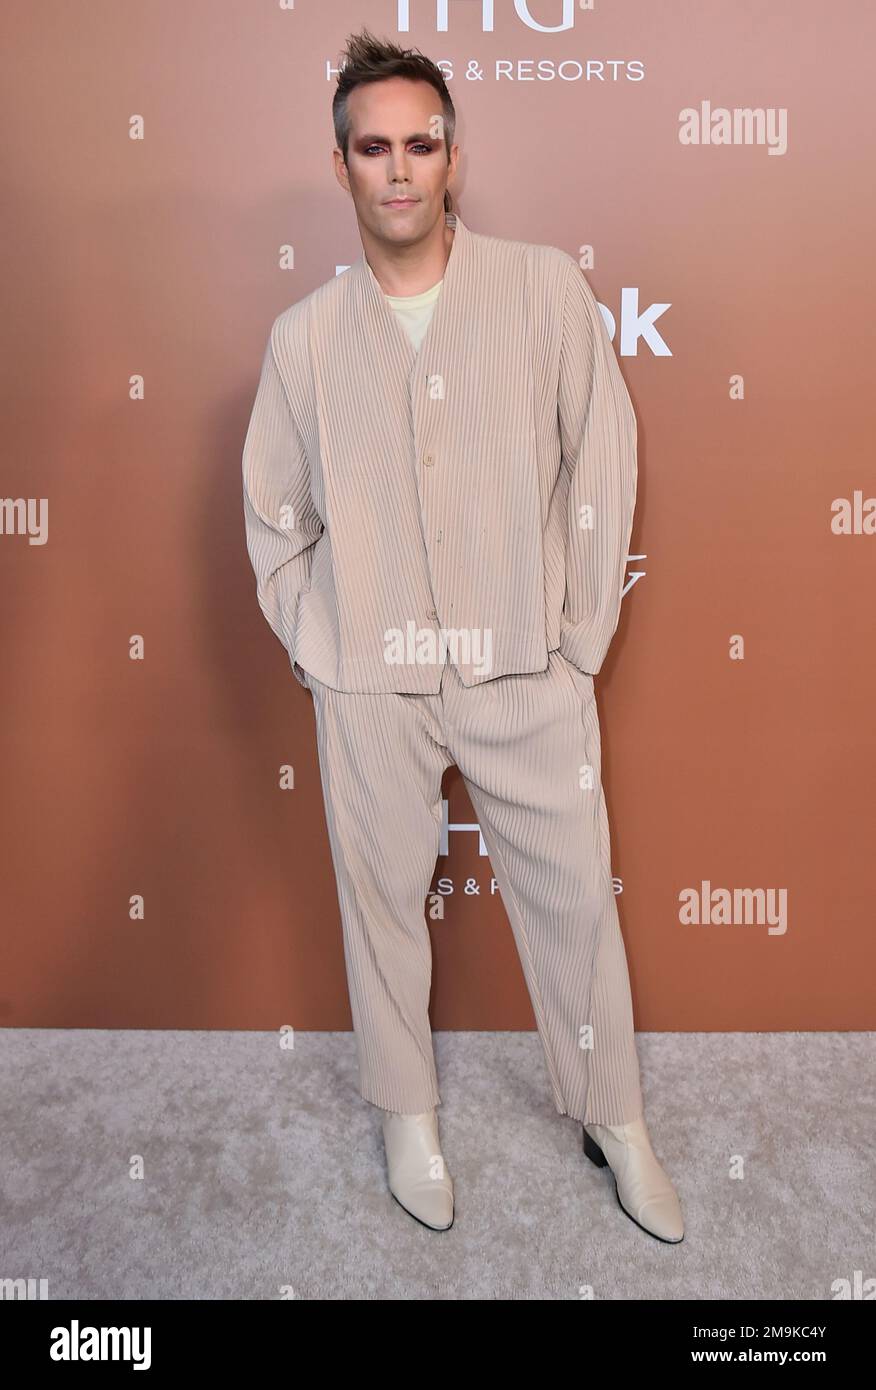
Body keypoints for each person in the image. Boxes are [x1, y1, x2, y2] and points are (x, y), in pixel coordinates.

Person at [242, 28, 683, 1242]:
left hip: (524, 669)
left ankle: (617, 1117)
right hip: (371, 678)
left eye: (420, 144)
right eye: (372, 147)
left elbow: (603, 459)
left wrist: (580, 635)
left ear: (453, 158)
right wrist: (319, 647)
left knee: (575, 900)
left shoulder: (543, 288)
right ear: (341, 169)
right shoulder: (306, 340)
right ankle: (407, 1114)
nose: (399, 169)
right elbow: (273, 514)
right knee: (379, 900)